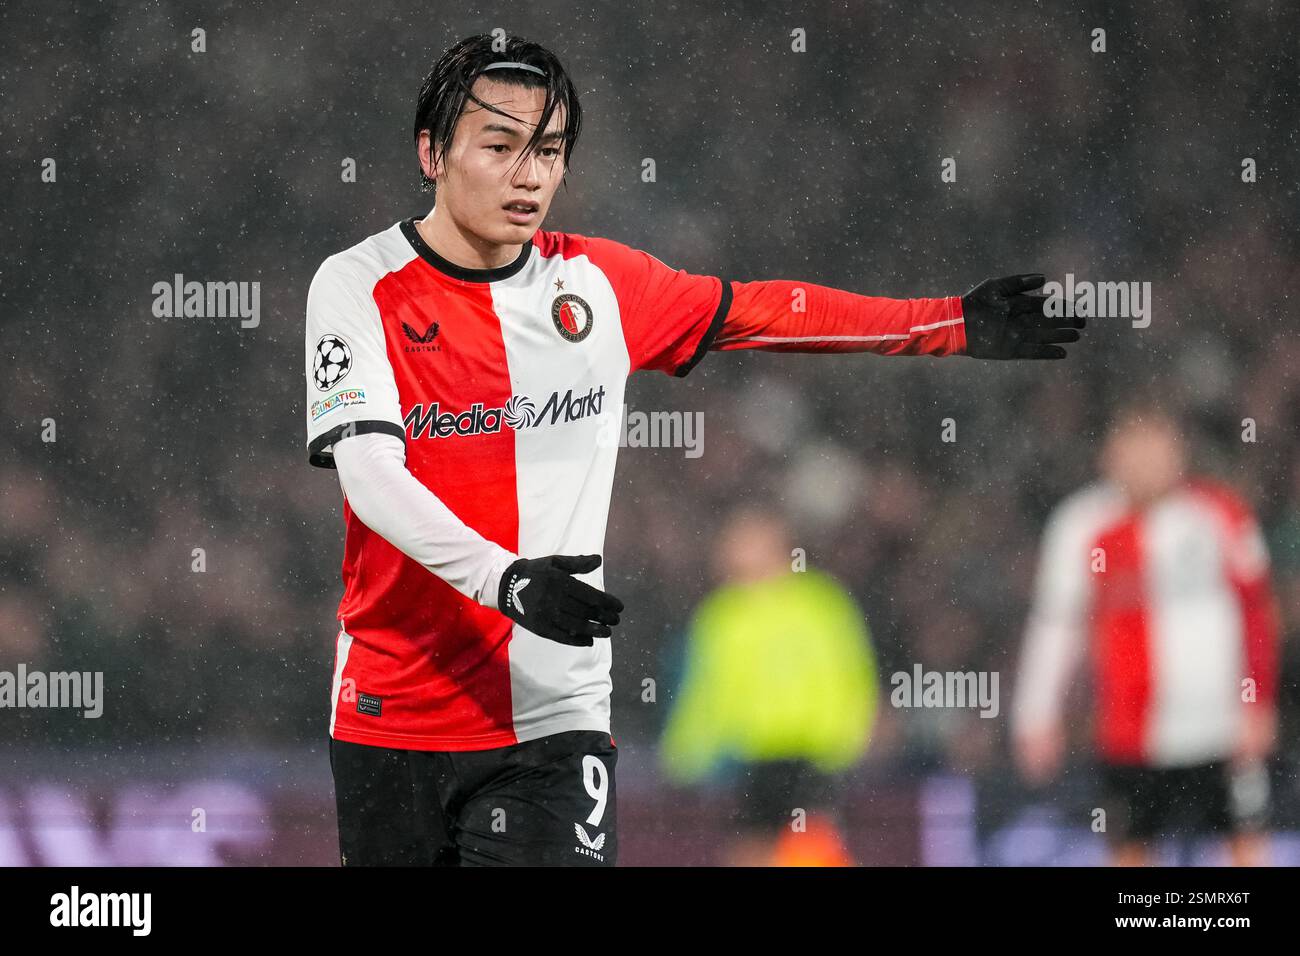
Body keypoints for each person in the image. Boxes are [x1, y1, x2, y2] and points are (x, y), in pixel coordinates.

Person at [306, 33, 1085, 867]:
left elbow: (766, 311)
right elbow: (372, 476)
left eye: (550, 151)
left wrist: (948, 325)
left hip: (553, 714)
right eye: (500, 148)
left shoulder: (601, 285)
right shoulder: (357, 285)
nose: (529, 175)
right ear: (431, 151)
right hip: (392, 710)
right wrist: (505, 580)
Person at [1011, 407, 1280, 865]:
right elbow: (1056, 627)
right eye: (1134, 450)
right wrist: (1035, 714)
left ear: (1179, 453)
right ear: (1110, 456)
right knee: (1131, 848)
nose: (1146, 464)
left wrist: (1259, 701)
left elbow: (1257, 614)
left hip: (1220, 726)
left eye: (1157, 449)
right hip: (1129, 731)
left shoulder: (1222, 514)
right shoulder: (1080, 526)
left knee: (1245, 842)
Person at [659, 508, 879, 866]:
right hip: (750, 760)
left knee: (810, 853)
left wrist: (847, 741)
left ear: (776, 543)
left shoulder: (820, 603)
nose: (729, 551)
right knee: (749, 854)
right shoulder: (721, 614)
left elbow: (851, 678)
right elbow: (705, 694)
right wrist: (683, 756)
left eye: (743, 541)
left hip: (811, 758)